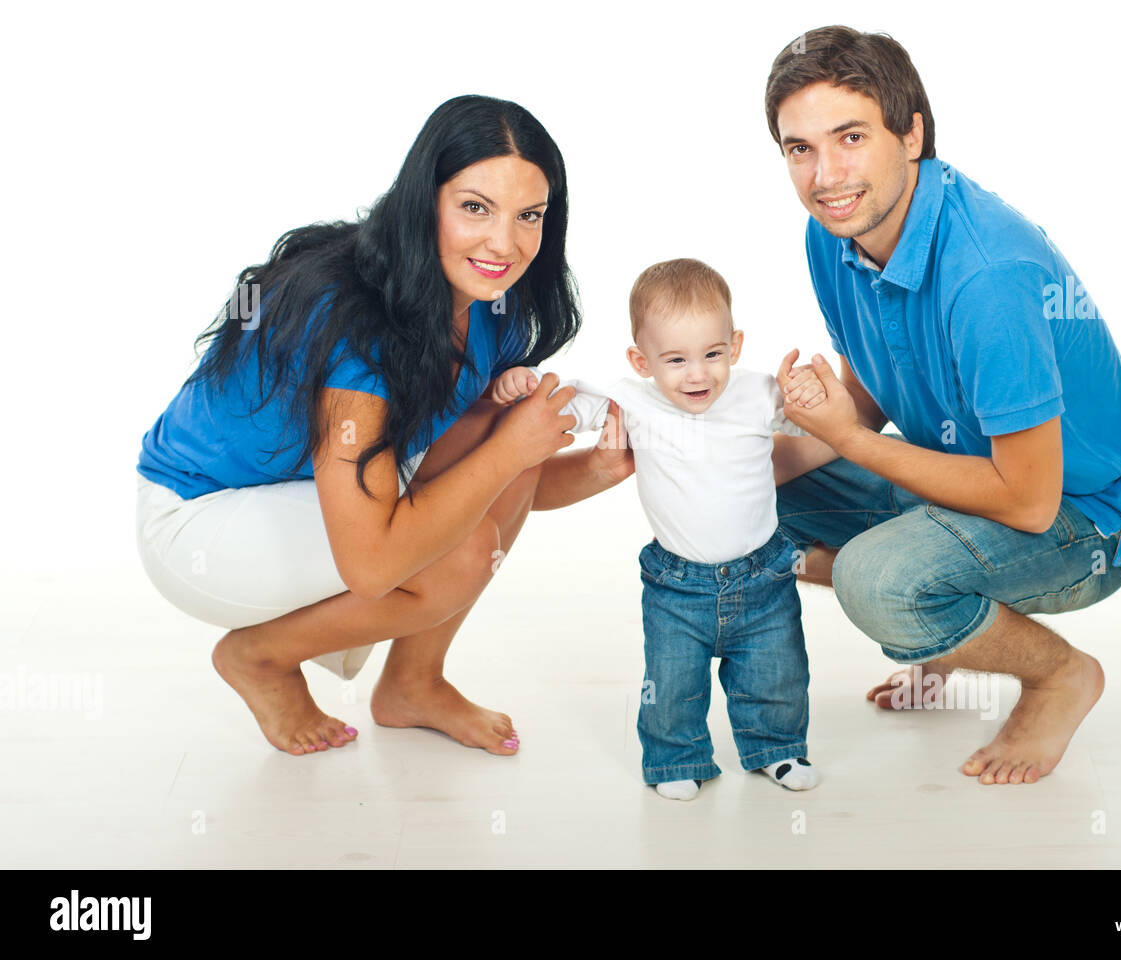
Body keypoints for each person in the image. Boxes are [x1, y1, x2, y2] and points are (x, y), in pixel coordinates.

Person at [135, 95, 633, 758]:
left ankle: (412, 686)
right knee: (454, 552)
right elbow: (373, 568)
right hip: (200, 516)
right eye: (475, 207)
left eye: (529, 216)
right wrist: (513, 446)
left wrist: (596, 466)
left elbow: (510, 479)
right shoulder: (356, 328)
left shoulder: (490, 305)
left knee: (505, 428)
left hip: (313, 492)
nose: (504, 244)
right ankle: (257, 658)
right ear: (424, 200)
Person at [764, 28, 1121, 785]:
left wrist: (846, 441)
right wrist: (737, 456)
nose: (826, 176)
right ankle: (938, 632)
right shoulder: (836, 233)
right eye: (800, 149)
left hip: (1084, 521)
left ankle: (1056, 676)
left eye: (851, 137)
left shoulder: (988, 275)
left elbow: (1027, 499)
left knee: (875, 583)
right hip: (961, 481)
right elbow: (879, 381)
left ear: (911, 131)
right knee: (747, 490)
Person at [491, 259, 826, 800]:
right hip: (678, 586)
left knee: (777, 671)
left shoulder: (758, 392)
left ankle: (777, 747)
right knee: (671, 685)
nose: (698, 374)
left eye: (713, 355)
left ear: (734, 347)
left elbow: (812, 421)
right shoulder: (633, 399)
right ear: (641, 361)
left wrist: (806, 393)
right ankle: (676, 759)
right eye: (676, 360)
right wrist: (522, 385)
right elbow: (566, 406)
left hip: (763, 575)